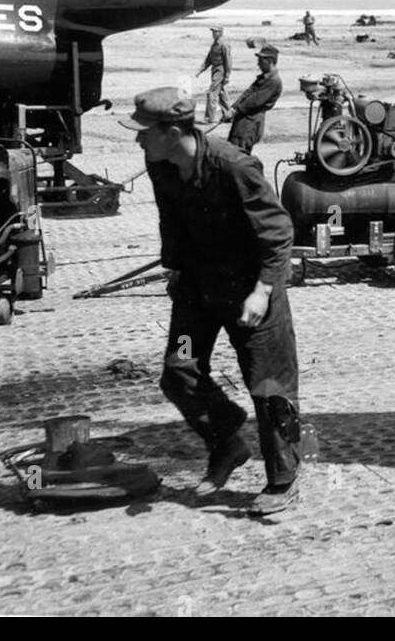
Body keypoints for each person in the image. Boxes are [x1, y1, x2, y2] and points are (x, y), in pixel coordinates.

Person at [121, 87, 303, 515]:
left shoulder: (233, 166)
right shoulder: (161, 163)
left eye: (144, 132)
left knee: (269, 384)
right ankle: (227, 443)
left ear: (171, 131)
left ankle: (283, 479)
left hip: (251, 293)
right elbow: (172, 219)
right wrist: (175, 269)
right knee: (179, 370)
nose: (137, 140)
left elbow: (278, 232)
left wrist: (263, 291)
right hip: (198, 289)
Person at [228, 45, 283, 153]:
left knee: (238, 156)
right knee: (232, 152)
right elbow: (247, 93)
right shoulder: (264, 78)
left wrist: (235, 111)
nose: (258, 63)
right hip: (244, 119)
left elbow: (254, 101)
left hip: (250, 122)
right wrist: (233, 109)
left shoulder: (273, 81)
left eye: (261, 60)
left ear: (270, 61)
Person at [197, 26, 233, 122]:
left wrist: (227, 76)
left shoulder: (224, 44)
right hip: (215, 69)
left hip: (221, 70)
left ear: (220, 32)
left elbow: (228, 61)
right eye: (212, 32)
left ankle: (209, 118)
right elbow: (209, 59)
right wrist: (200, 70)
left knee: (211, 93)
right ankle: (229, 115)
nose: (213, 34)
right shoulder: (215, 44)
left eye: (215, 32)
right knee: (221, 93)